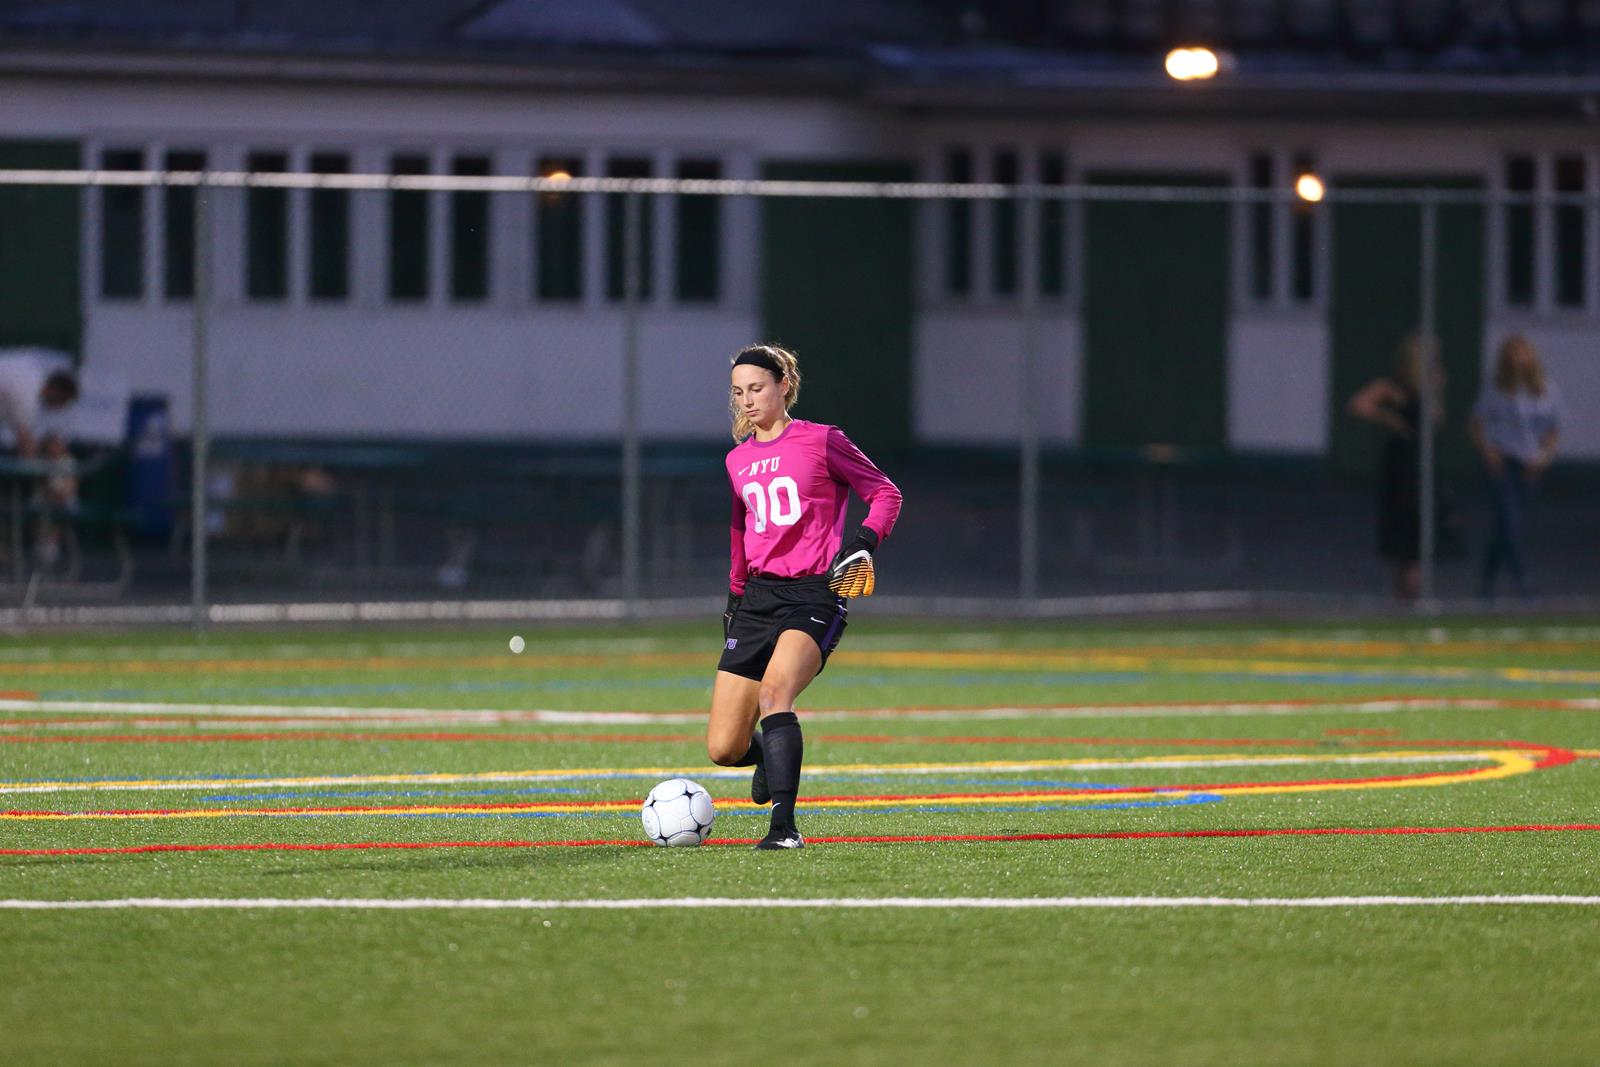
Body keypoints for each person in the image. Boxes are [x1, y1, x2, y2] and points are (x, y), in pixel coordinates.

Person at [706, 344, 902, 850]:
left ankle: (784, 827)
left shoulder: (821, 440)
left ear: (783, 387)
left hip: (815, 591)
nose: (746, 401)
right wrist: (734, 599)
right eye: (738, 392)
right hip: (756, 598)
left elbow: (885, 493)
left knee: (775, 696)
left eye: (756, 389)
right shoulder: (737, 459)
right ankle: (768, 759)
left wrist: (862, 545)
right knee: (723, 748)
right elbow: (739, 531)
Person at [1347, 334, 1453, 601]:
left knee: (1422, 518)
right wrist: (1388, 418)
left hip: (1423, 459)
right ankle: (1403, 585)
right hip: (1401, 461)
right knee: (1401, 519)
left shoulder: (1429, 385)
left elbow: (1438, 421)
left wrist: (1435, 391)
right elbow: (1358, 404)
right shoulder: (1391, 387)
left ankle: (1413, 585)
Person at [1469, 336, 1562, 599]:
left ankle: (1486, 583)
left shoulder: (1545, 389)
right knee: (1509, 522)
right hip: (1504, 461)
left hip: (1530, 465)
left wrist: (1543, 457)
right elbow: (1477, 424)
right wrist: (1489, 452)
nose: (1516, 359)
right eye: (1512, 354)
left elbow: (1552, 431)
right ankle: (1523, 582)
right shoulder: (1495, 389)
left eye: (1521, 353)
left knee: (1506, 526)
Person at [0, 368, 78, 459]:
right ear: (54, 390)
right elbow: (25, 444)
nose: (63, 405)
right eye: (63, 400)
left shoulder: (41, 399)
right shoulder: (26, 397)